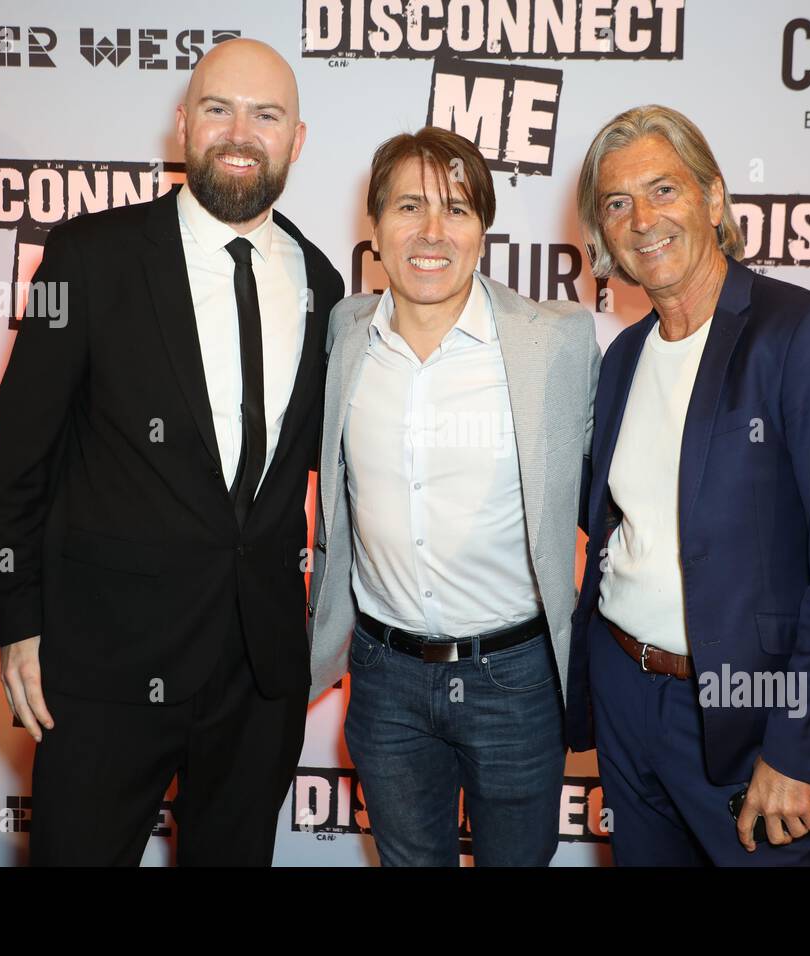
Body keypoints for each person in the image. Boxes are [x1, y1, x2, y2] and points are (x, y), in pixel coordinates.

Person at [0, 38, 345, 865]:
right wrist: (16, 620)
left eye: (266, 115)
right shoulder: (89, 257)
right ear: (182, 125)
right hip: (103, 665)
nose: (240, 133)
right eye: (218, 109)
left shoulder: (325, 285)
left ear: (298, 139)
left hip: (258, 676)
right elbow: (16, 454)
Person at [567, 105, 810, 866]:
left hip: (751, 719)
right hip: (625, 692)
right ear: (604, 233)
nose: (642, 219)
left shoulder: (805, 336)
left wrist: (802, 745)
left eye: (664, 190)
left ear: (714, 199)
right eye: (617, 203)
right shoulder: (622, 360)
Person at [307, 127, 599, 866]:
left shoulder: (554, 343)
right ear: (373, 227)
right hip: (383, 678)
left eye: (458, 210)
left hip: (516, 679)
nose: (433, 232)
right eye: (409, 207)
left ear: (483, 229)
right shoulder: (344, 335)